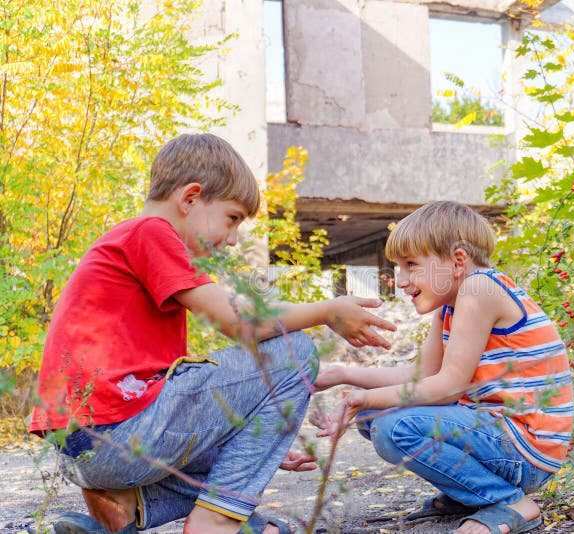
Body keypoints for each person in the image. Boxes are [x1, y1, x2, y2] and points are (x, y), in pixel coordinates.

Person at [28, 133, 396, 534]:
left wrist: (254, 446)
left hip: (83, 448)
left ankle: (122, 512)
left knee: (238, 465)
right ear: (190, 199)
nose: (233, 239)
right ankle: (217, 523)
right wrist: (325, 311)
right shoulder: (150, 233)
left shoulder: (128, 243)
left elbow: (171, 391)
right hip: (116, 431)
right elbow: (241, 323)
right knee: (295, 352)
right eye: (232, 218)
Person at [313, 201, 573, 534]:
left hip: (525, 447)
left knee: (393, 426)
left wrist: (363, 399)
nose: (401, 281)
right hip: (500, 436)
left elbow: (449, 387)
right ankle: (470, 496)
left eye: (411, 265)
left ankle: (508, 502)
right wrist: (343, 376)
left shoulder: (480, 289)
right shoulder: (451, 306)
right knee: (373, 415)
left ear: (458, 261)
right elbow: (421, 377)